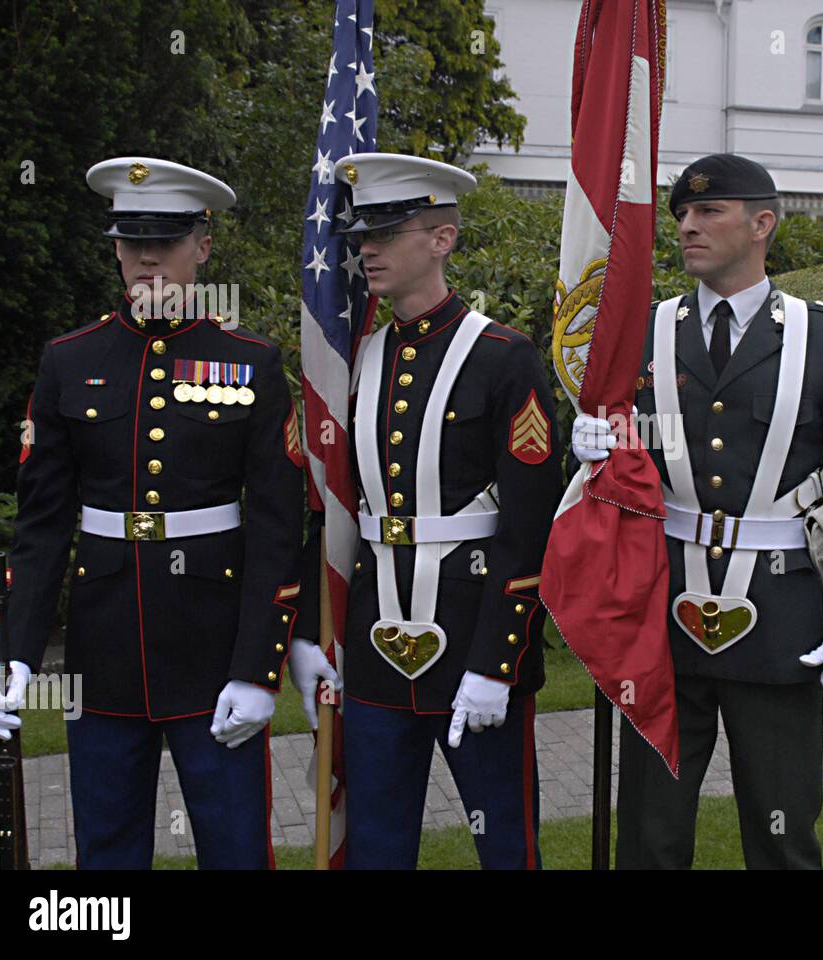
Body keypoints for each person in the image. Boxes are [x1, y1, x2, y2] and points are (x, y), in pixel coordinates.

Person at [0, 157, 303, 868]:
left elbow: (279, 527)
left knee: (236, 846)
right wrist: (15, 655)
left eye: (168, 238)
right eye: (133, 240)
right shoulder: (71, 360)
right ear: (117, 248)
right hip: (103, 653)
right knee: (106, 853)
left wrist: (258, 667)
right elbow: (41, 527)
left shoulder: (249, 362)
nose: (148, 256)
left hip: (213, 654)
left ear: (204, 246)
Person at [572, 153, 823, 868]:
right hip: (663, 616)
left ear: (761, 224)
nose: (688, 226)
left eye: (708, 212)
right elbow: (621, 459)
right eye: (682, 213)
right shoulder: (645, 332)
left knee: (781, 836)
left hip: (781, 617)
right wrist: (590, 438)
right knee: (650, 838)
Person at [290, 153, 562, 869]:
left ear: (441, 239)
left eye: (387, 232)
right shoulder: (355, 362)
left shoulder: (505, 358)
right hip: (374, 645)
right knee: (378, 845)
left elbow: (528, 527)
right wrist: (308, 630)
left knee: (504, 843)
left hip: (473, 638)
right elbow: (332, 512)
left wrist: (497, 662)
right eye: (360, 237)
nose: (366, 249)